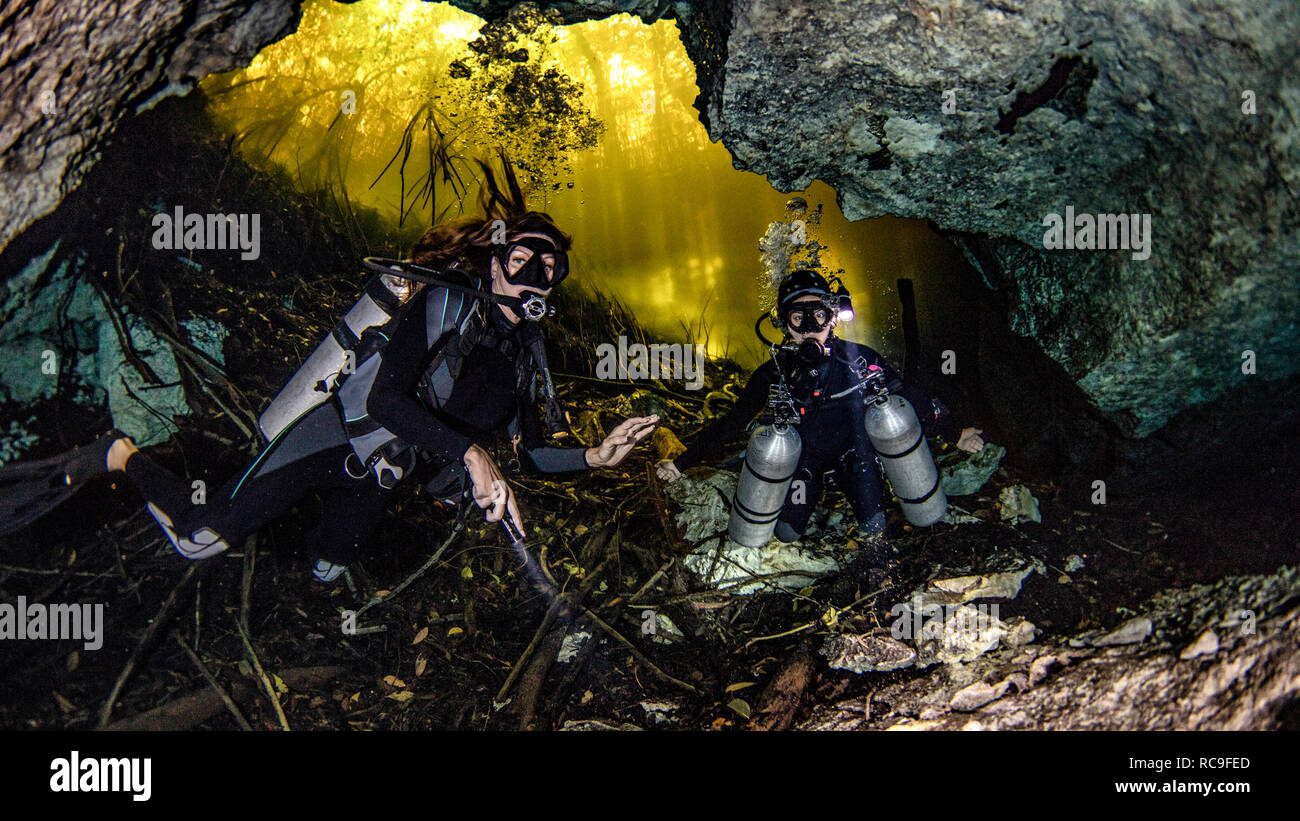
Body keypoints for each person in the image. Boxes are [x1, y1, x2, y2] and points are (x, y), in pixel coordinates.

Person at [87, 161, 657, 582]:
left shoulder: (525, 353)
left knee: (327, 569)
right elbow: (385, 402)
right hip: (334, 432)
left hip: (383, 469)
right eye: (519, 262)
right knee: (199, 541)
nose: (532, 279)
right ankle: (122, 454)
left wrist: (593, 456)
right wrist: (472, 455)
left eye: (548, 271)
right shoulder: (445, 305)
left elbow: (532, 451)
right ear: (490, 264)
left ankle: (272, 523)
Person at [656, 268, 982, 543]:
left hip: (855, 453)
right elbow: (732, 421)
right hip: (802, 459)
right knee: (785, 532)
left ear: (833, 316)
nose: (811, 327)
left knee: (876, 527)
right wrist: (681, 464)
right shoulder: (774, 372)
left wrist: (955, 433)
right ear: (784, 324)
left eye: (819, 315)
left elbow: (907, 398)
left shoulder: (859, 359)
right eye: (799, 318)